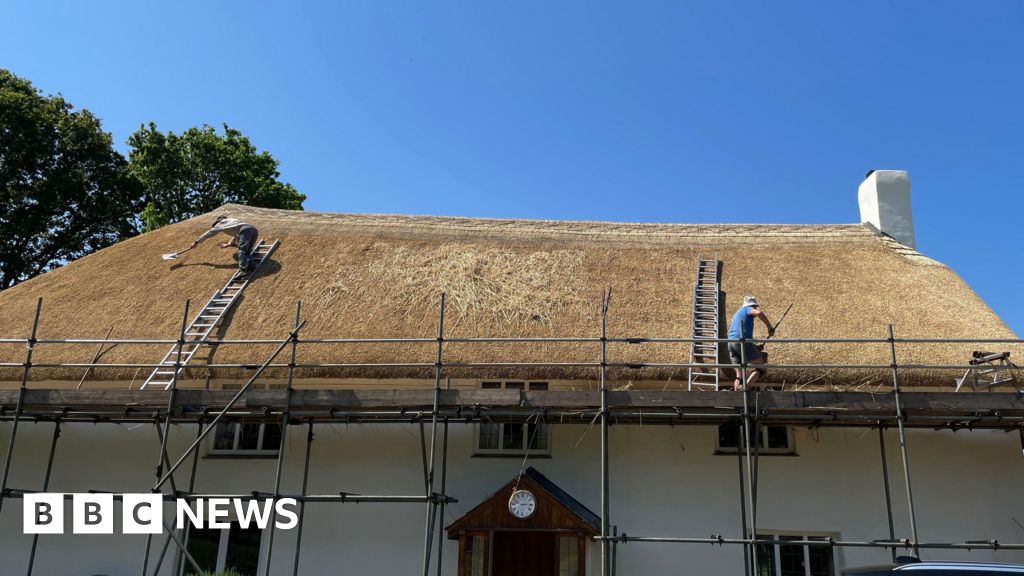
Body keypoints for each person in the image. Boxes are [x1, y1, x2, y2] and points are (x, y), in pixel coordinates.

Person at [189, 214, 260, 279]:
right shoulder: (233, 221)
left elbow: (209, 233)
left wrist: (196, 242)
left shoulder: (221, 223)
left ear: (218, 221)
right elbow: (237, 234)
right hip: (253, 230)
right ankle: (251, 266)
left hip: (245, 231)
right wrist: (229, 244)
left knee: (242, 251)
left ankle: (243, 271)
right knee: (246, 251)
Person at [727, 295, 775, 391]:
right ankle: (745, 387)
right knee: (761, 369)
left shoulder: (738, 313)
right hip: (741, 341)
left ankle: (737, 397)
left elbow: (738, 334)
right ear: (753, 305)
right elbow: (759, 312)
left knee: (739, 376)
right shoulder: (748, 309)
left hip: (731, 343)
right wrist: (769, 326)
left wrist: (755, 347)